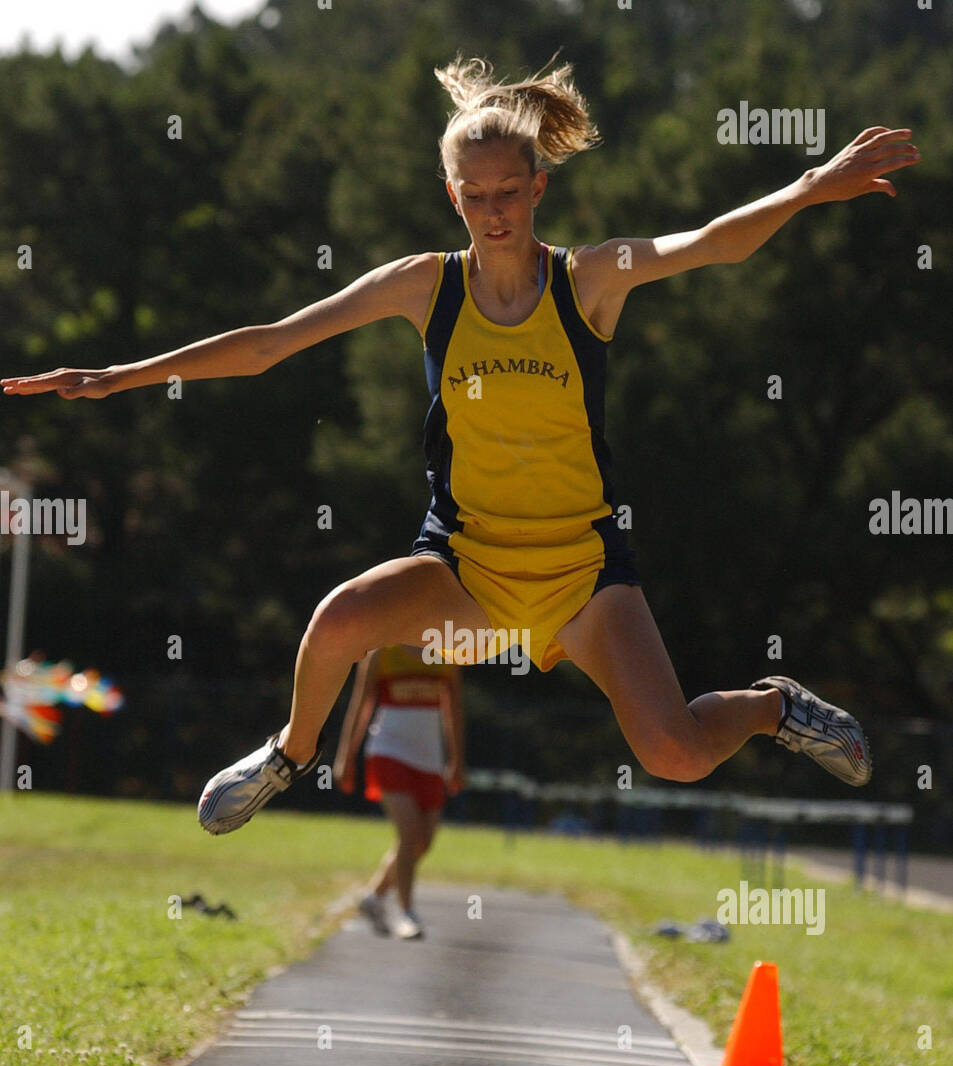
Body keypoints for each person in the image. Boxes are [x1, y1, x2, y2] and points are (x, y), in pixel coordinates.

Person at [4, 59, 918, 829]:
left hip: (584, 577)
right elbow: (270, 344)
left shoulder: (588, 281)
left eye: (509, 193)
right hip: (468, 570)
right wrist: (115, 376)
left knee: (675, 755)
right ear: (450, 194)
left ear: (538, 188)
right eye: (473, 196)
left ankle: (772, 705)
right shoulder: (422, 288)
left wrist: (806, 187)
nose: (492, 212)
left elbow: (711, 244)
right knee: (338, 624)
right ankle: (287, 758)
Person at [332, 643, 464, 941]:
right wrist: (345, 758)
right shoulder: (382, 650)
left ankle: (374, 898)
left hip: (430, 757)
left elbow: (453, 708)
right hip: (387, 750)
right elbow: (361, 704)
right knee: (409, 834)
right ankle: (407, 913)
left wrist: (457, 760)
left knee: (423, 842)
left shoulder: (449, 649)